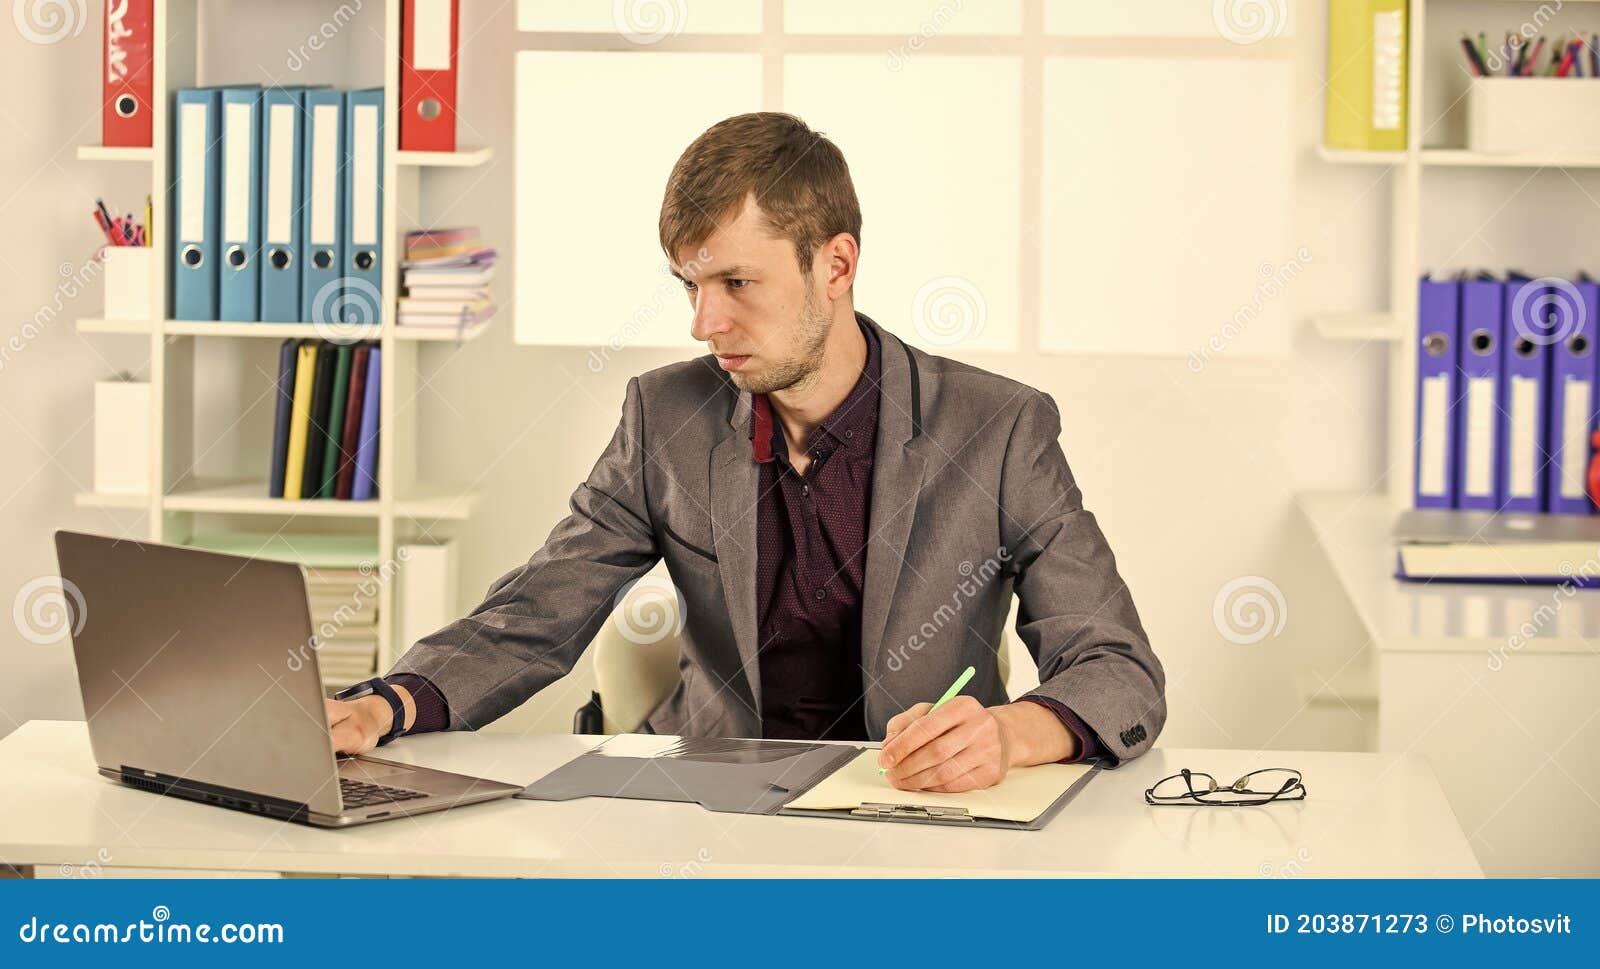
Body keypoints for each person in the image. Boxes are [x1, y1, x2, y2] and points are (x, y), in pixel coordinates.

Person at [327, 112, 1165, 793]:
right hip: (713, 809)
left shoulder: (997, 427)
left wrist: (1014, 732)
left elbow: (1117, 664)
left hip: (922, 813)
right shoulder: (666, 416)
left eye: (736, 283)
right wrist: (388, 703)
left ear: (836, 263)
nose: (703, 322)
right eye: (689, 285)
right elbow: (538, 612)